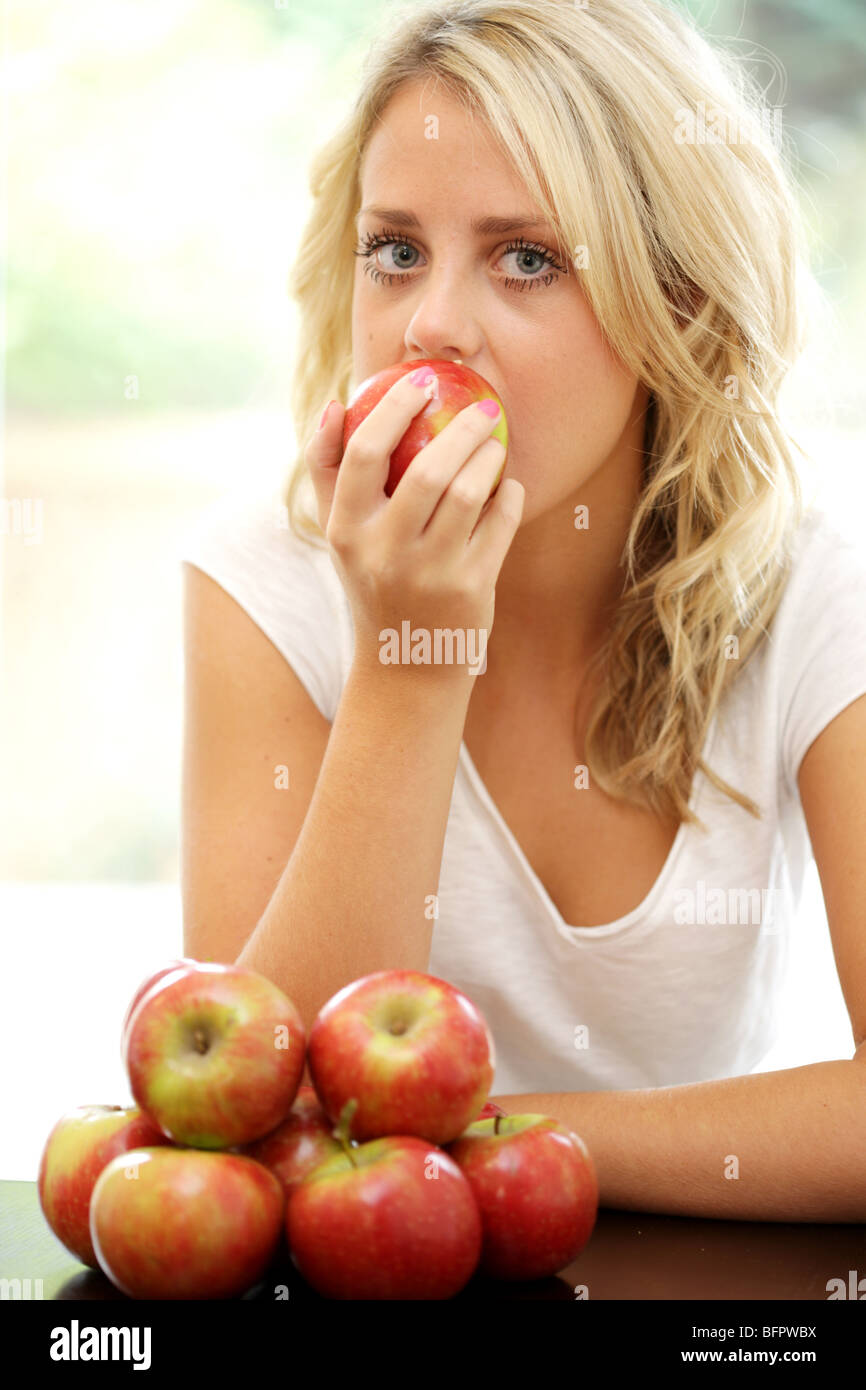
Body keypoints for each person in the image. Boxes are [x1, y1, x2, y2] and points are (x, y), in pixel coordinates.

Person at [179, 0, 866, 1220]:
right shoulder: (261, 576)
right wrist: (407, 661)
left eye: (528, 258)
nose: (432, 324)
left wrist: (482, 1139)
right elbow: (245, 1126)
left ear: (680, 313)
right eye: (395, 249)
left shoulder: (811, 583)